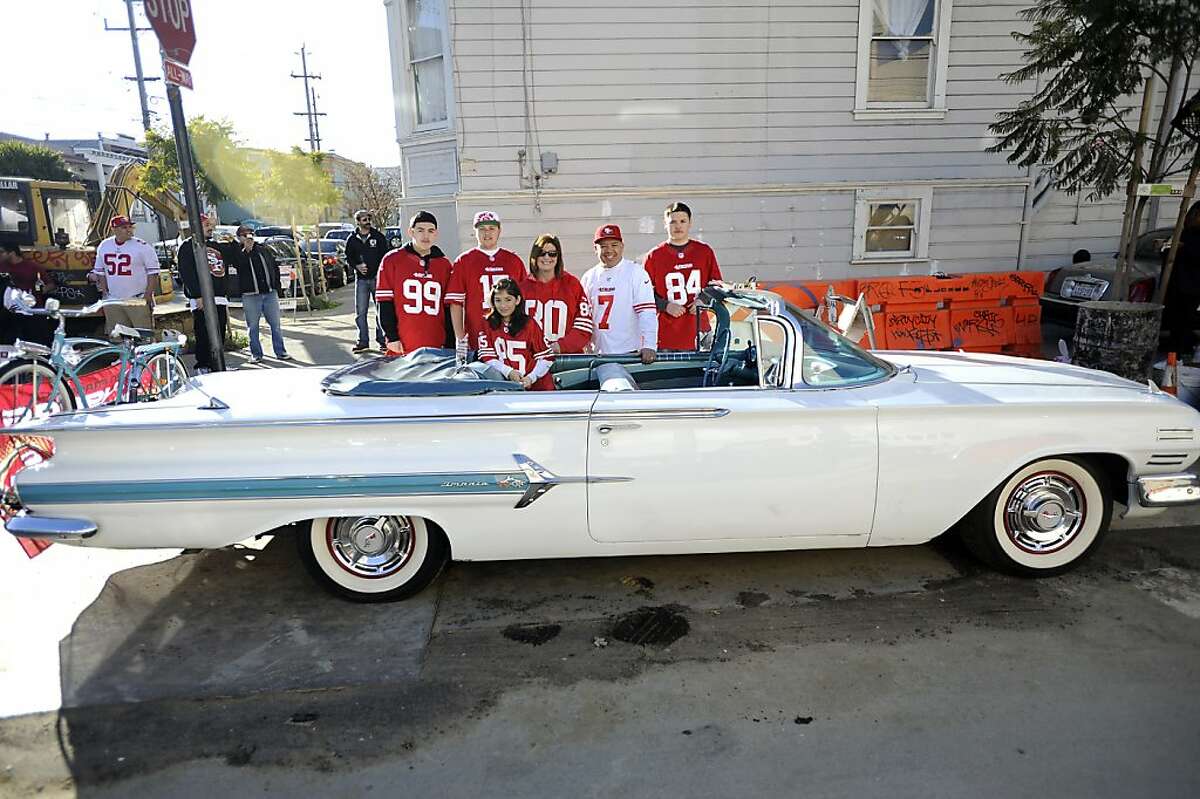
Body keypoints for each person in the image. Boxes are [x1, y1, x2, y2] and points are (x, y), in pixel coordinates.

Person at [446, 211, 527, 359]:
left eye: (491, 228)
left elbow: (523, 301)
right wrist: (460, 337)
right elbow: (455, 303)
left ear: (499, 231)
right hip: (477, 335)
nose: (487, 233)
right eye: (482, 228)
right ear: (475, 231)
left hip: (510, 337)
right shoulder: (464, 261)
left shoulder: (513, 260)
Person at [644, 202, 723, 351]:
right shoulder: (654, 256)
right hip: (667, 332)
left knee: (703, 372)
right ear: (665, 224)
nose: (678, 226)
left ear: (690, 223)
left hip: (699, 329)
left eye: (682, 221)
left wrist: (703, 299)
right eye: (673, 222)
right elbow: (644, 293)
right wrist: (665, 305)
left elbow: (717, 284)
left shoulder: (704, 252)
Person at [376, 211, 453, 355]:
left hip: (436, 342)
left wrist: (450, 342)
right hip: (403, 343)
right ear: (411, 232)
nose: (426, 236)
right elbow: (384, 301)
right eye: (420, 230)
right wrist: (391, 336)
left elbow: (448, 308)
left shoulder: (444, 265)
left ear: (436, 234)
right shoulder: (392, 260)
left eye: (430, 231)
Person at [579, 224, 657, 363]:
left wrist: (649, 344)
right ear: (595, 249)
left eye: (614, 245)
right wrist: (584, 343)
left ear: (622, 246)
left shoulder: (636, 272)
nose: (609, 250)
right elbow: (583, 317)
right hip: (599, 353)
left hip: (630, 352)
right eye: (603, 246)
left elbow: (647, 312)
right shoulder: (588, 277)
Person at [177, 213, 235, 373]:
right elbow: (186, 272)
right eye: (207, 224)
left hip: (219, 296)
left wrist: (235, 241)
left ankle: (217, 364)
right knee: (203, 332)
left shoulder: (216, 244)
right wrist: (197, 295)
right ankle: (202, 365)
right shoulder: (188, 246)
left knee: (219, 332)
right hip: (202, 297)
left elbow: (233, 259)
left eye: (211, 224)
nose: (211, 227)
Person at [477, 278, 554, 391]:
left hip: (534, 388)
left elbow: (546, 358)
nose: (503, 305)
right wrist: (508, 372)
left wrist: (531, 378)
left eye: (508, 299)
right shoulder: (487, 323)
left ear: (517, 300)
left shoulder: (529, 324)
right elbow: (487, 357)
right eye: (498, 300)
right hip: (502, 388)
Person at [520, 234, 592, 354]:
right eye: (542, 253)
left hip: (567, 358)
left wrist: (561, 346)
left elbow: (584, 325)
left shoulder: (572, 284)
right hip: (532, 359)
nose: (547, 257)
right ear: (534, 255)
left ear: (558, 257)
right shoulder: (522, 288)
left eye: (552, 253)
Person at [89, 215, 160, 334]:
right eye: (124, 227)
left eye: (130, 227)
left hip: (136, 298)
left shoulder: (142, 246)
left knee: (143, 336)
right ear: (114, 229)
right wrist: (105, 293)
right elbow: (100, 271)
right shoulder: (104, 245)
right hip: (113, 299)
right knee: (116, 336)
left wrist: (148, 295)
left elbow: (153, 273)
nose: (129, 230)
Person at [231, 225, 291, 364]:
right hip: (251, 295)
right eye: (245, 235)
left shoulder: (262, 249)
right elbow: (238, 265)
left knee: (275, 325)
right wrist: (246, 250)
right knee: (253, 326)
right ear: (239, 237)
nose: (248, 237)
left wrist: (277, 288)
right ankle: (256, 354)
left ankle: (280, 352)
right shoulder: (237, 252)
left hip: (269, 293)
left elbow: (273, 267)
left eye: (250, 233)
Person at [343, 209, 391, 353]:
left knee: (380, 310)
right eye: (364, 219)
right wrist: (357, 266)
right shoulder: (352, 239)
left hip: (377, 278)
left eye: (369, 219)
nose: (367, 222)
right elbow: (348, 257)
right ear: (357, 222)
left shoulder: (378, 237)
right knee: (361, 311)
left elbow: (386, 256)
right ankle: (363, 341)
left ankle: (382, 341)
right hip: (361, 280)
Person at [1163, 202, 1200, 357]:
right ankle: (1175, 351)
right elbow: (1167, 253)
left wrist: (1184, 247)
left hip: (1192, 286)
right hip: (1175, 285)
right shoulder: (1182, 233)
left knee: (1184, 321)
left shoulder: (1193, 239)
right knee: (1175, 321)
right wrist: (1164, 247)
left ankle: (1181, 350)